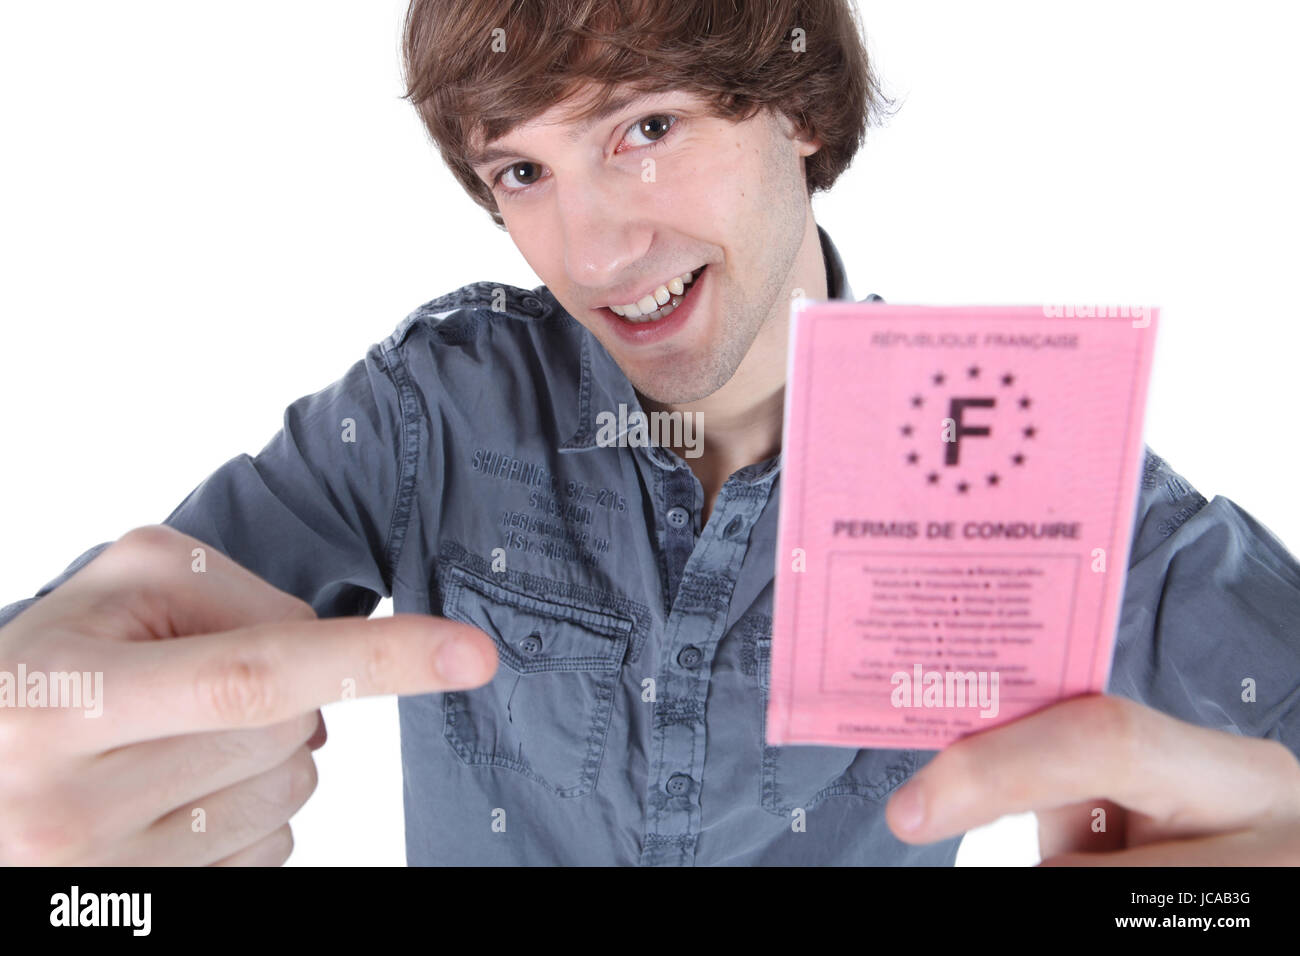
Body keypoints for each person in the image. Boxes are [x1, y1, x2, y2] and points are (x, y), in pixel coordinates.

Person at [2, 0, 1298, 866]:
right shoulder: (428, 413)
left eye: (648, 128)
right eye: (525, 172)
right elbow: (112, 649)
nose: (595, 252)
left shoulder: (1020, 453)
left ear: (798, 110)